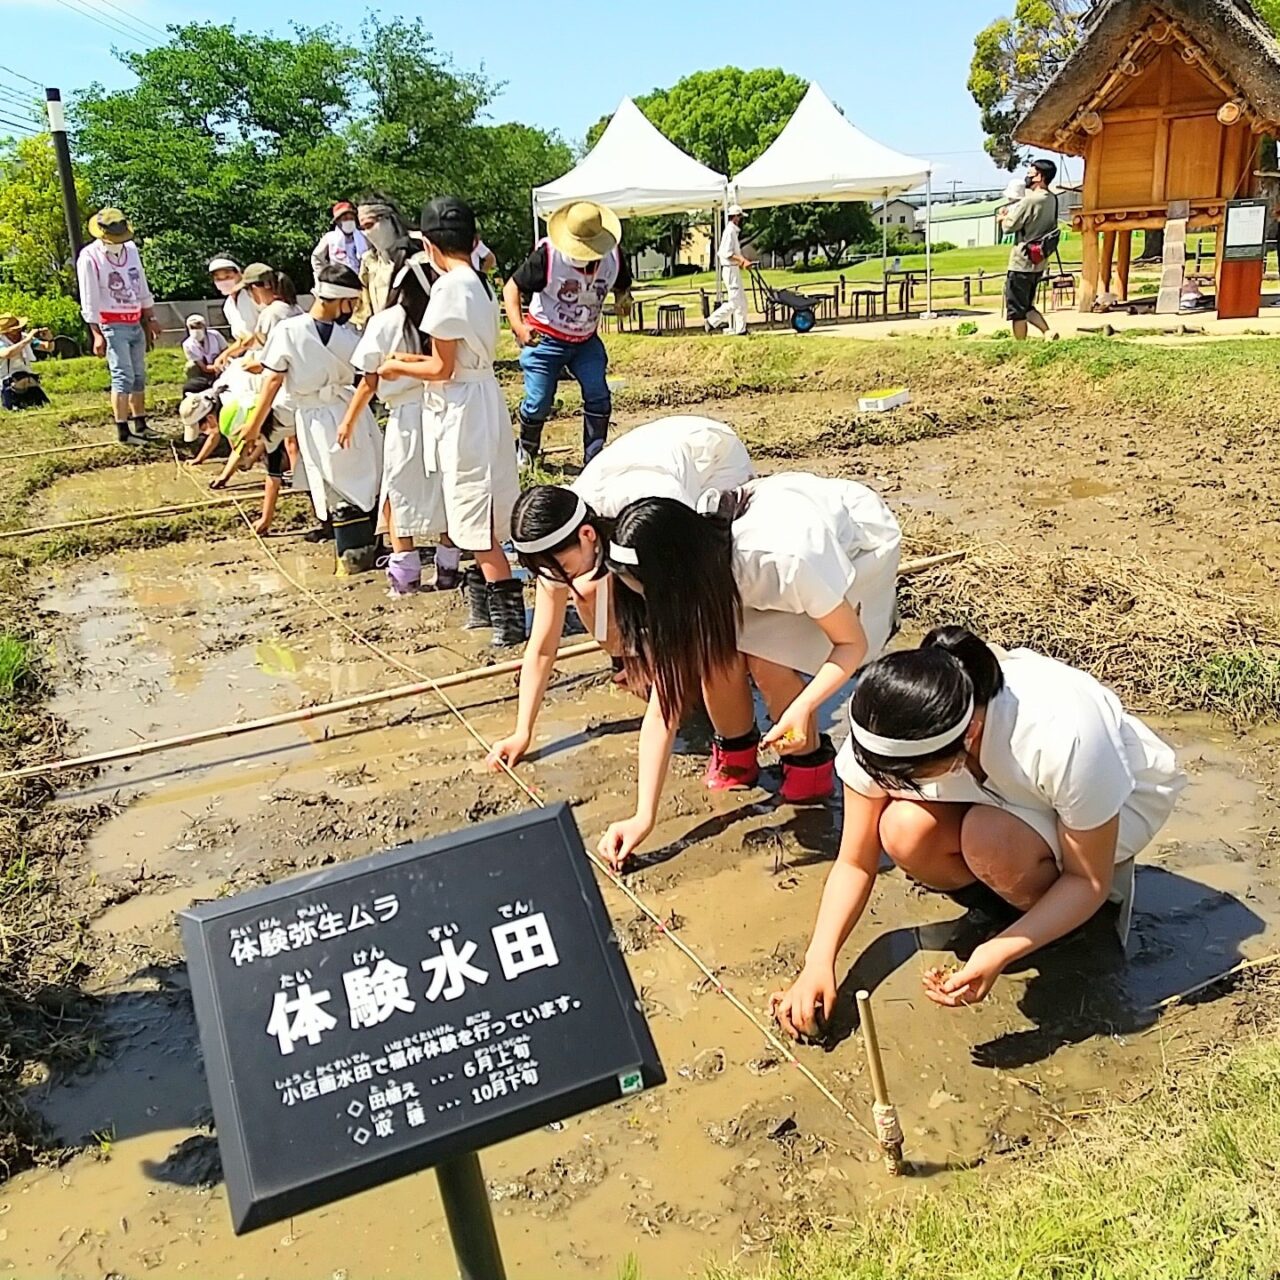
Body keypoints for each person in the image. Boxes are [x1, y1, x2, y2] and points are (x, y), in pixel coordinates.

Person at [770, 628, 1185, 1037]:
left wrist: (1000, 949)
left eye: (907, 781)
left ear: (967, 739)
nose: (890, 786)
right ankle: (1010, 908)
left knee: (989, 838)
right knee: (902, 828)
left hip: (1117, 799)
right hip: (996, 792)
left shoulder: (1064, 735)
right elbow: (855, 862)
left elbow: (1086, 879)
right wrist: (818, 963)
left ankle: (1074, 928)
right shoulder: (884, 723)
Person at [594, 472, 902, 869]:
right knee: (716, 648)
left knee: (768, 661)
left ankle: (809, 767)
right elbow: (662, 708)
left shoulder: (785, 561)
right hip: (764, 558)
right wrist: (643, 816)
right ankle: (737, 753)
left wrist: (802, 707)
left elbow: (851, 644)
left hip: (856, 546)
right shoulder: (687, 563)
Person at [486, 416, 756, 772]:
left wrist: (669, 666)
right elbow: (542, 647)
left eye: (563, 569)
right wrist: (522, 731)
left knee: (711, 609)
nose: (558, 579)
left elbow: (683, 599)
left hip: (712, 459)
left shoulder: (652, 502)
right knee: (590, 587)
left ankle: (736, 733)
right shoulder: (556, 540)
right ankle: (634, 660)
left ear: (587, 535)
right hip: (646, 458)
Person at [378, 196, 524, 646]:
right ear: (473, 241)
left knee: (473, 515)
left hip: (462, 408)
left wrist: (396, 367)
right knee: (480, 509)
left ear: (428, 245)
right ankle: (483, 608)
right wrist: (407, 358)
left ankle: (508, 620)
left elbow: (441, 369)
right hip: (480, 400)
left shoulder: (447, 288)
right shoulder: (476, 282)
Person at [236, 263, 383, 566]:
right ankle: (367, 550)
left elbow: (273, 380)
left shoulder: (291, 331)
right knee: (361, 477)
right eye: (351, 303)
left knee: (339, 481)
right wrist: (253, 426)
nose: (352, 309)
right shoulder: (347, 336)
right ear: (339, 300)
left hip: (326, 414)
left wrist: (253, 427)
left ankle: (356, 555)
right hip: (346, 412)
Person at [342, 247, 444, 596]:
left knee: (398, 493)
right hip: (441, 410)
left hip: (405, 417)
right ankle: (447, 570)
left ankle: (405, 578)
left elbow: (369, 378)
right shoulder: (441, 318)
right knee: (442, 490)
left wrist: (349, 420)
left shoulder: (385, 322)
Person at [502, 200, 633, 466]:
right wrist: (518, 326)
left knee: (598, 393)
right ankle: (527, 450)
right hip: (546, 336)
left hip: (585, 339)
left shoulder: (614, 256)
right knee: (539, 400)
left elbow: (623, 287)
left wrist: (623, 301)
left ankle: (594, 458)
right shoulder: (549, 257)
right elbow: (511, 287)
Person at [76, 206, 161, 445]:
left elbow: (141, 283)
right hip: (112, 324)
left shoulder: (131, 250)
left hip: (134, 319)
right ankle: (123, 431)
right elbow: (89, 297)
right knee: (122, 375)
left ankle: (141, 423)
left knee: (138, 375)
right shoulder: (89, 257)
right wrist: (96, 333)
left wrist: (150, 317)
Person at [1001, 158, 1058, 341]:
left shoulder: (1029, 201)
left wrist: (1003, 217)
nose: (1027, 176)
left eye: (1031, 173)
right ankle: (1047, 332)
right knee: (1027, 305)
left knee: (1017, 309)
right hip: (1039, 261)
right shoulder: (1053, 200)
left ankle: (1020, 345)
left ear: (1039, 177)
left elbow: (1009, 226)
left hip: (1021, 261)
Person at [356, 196, 413, 328]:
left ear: (388, 219)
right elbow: (364, 309)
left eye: (370, 225)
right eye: (362, 228)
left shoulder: (419, 255)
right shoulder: (369, 262)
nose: (367, 233)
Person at [705, 205, 750, 336]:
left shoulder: (732, 232)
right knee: (735, 301)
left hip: (733, 269)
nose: (741, 220)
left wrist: (741, 261)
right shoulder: (730, 232)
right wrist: (742, 261)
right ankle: (712, 321)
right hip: (730, 270)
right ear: (735, 217)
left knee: (742, 301)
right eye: (740, 217)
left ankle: (741, 329)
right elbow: (727, 253)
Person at [208, 257, 259, 364]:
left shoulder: (253, 296)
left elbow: (260, 333)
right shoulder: (228, 305)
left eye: (228, 276)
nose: (224, 282)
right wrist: (226, 355)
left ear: (239, 274)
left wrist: (227, 354)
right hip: (250, 354)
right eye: (218, 279)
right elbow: (242, 339)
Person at [0, 314, 50, 410]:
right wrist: (27, 340)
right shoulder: (1, 342)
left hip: (28, 380)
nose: (18, 332)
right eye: (15, 331)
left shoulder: (24, 338)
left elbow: (48, 347)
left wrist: (49, 337)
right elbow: (7, 353)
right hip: (6, 383)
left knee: (43, 403)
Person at [311, 201, 370, 283]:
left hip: (364, 280)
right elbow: (317, 257)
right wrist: (323, 276)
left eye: (351, 219)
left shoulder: (365, 236)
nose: (349, 221)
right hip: (340, 283)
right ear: (337, 222)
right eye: (345, 219)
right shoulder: (330, 238)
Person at [182, 314, 227, 380]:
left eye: (199, 326)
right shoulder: (187, 344)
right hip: (206, 370)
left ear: (204, 327)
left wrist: (221, 364)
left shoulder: (215, 335)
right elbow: (203, 367)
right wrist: (215, 368)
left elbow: (226, 351)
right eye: (193, 327)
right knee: (190, 366)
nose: (196, 330)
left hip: (223, 364)